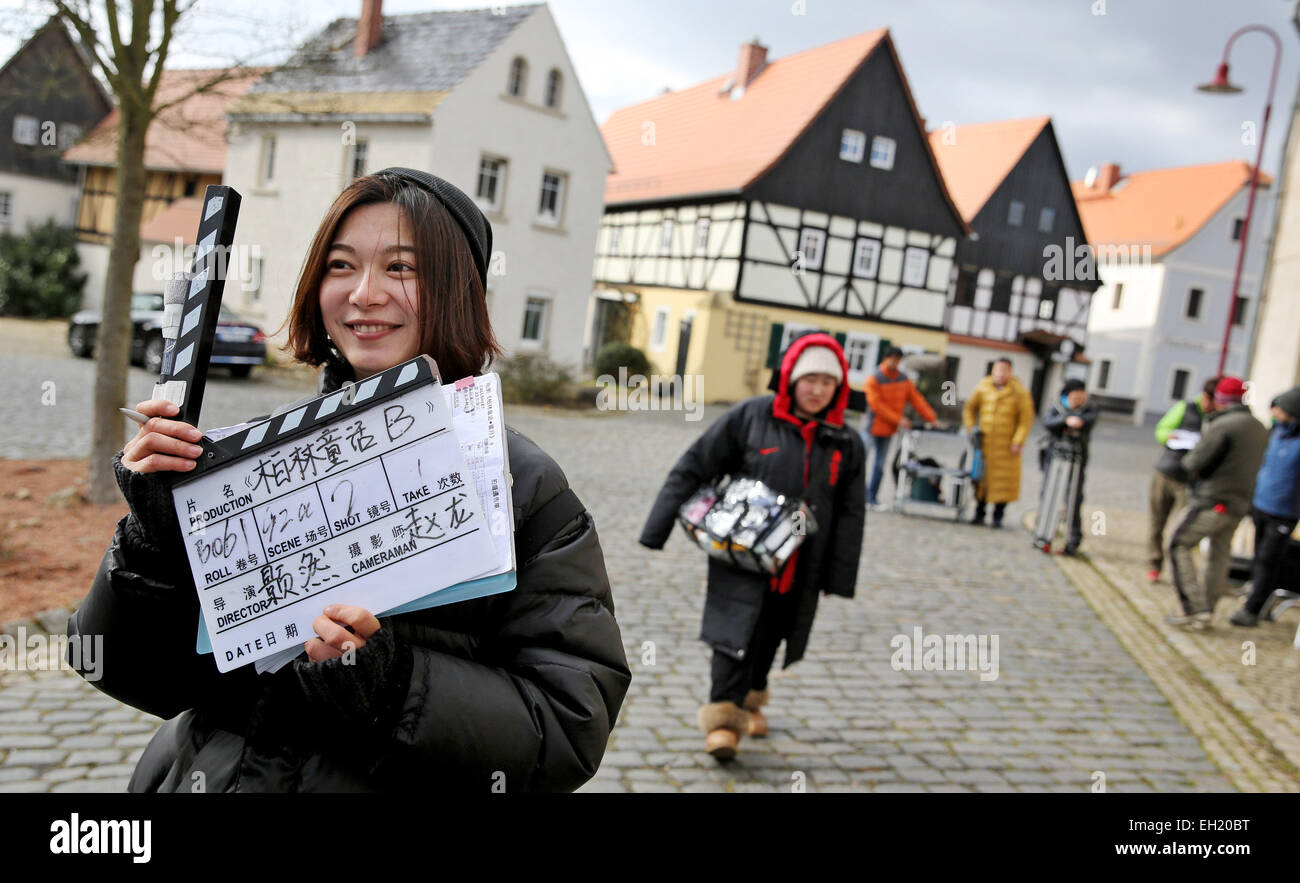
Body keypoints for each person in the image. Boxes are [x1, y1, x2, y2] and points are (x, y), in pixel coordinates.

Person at [66, 168, 631, 792]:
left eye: (402, 268)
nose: (364, 293)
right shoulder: (251, 465)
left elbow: (570, 722)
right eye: (340, 265)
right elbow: (132, 673)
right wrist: (153, 542)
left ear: (459, 292)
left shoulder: (525, 487)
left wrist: (390, 684)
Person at [638, 334, 865, 760]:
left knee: (775, 632)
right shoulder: (750, 417)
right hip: (741, 554)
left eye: (828, 383)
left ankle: (752, 696)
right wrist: (657, 529)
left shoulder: (846, 442)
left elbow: (851, 512)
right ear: (792, 378)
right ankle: (723, 722)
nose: (817, 390)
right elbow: (694, 464)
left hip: (802, 563)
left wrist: (840, 574)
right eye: (810, 379)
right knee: (734, 632)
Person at [1165, 376, 1269, 630]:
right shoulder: (1258, 427)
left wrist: (1188, 459)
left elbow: (1195, 462)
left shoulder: (1224, 425)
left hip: (1213, 499)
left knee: (1178, 543)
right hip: (1240, 502)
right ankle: (1207, 609)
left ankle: (1192, 607)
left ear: (1221, 399)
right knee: (1219, 555)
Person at [1230, 386, 1300, 627]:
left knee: (1268, 560)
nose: (1274, 412)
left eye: (1279, 409)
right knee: (1259, 557)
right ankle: (1262, 602)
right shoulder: (1275, 433)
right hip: (1261, 504)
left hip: (1285, 512)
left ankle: (1252, 609)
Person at [1147, 377, 1219, 582]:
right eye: (1208, 400)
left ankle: (1177, 568)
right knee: (1156, 523)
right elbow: (1161, 429)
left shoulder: (1216, 419)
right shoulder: (1184, 407)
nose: (1209, 405)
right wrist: (1169, 436)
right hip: (1165, 471)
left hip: (1188, 481)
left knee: (1182, 528)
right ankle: (1154, 564)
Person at [863, 346, 940, 511]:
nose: (896, 363)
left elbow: (917, 400)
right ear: (886, 358)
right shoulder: (874, 379)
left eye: (898, 360)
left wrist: (932, 418)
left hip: (887, 430)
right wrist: (899, 419)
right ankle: (855, 495)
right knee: (860, 462)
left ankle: (871, 497)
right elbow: (876, 406)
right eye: (894, 359)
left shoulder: (903, 380)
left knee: (879, 465)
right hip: (871, 427)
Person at [962, 357, 1035, 528]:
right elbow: (969, 409)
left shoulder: (1020, 392)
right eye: (998, 369)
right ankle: (979, 513)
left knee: (1003, 482)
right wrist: (971, 428)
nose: (1001, 373)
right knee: (981, 479)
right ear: (993, 370)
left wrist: (1018, 441)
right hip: (985, 443)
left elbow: (1026, 420)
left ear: (1010, 372)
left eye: (1004, 370)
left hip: (1007, 445)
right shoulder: (983, 388)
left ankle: (998, 516)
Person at [1037, 378, 1098, 555]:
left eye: (1081, 393)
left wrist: (1077, 420)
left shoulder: (1089, 409)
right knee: (1048, 494)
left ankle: (1072, 540)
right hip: (1054, 457)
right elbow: (1048, 423)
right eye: (1075, 394)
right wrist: (1066, 419)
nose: (1079, 397)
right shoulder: (1057, 407)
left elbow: (1090, 420)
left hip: (1077, 459)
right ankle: (1043, 534)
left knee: (1073, 499)